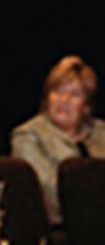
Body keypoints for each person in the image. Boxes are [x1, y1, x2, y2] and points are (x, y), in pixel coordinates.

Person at [11, 56, 105, 225]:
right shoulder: (29, 135)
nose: (64, 100)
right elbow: (51, 193)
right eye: (57, 92)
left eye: (74, 94)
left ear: (86, 105)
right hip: (60, 230)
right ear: (47, 98)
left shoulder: (101, 131)